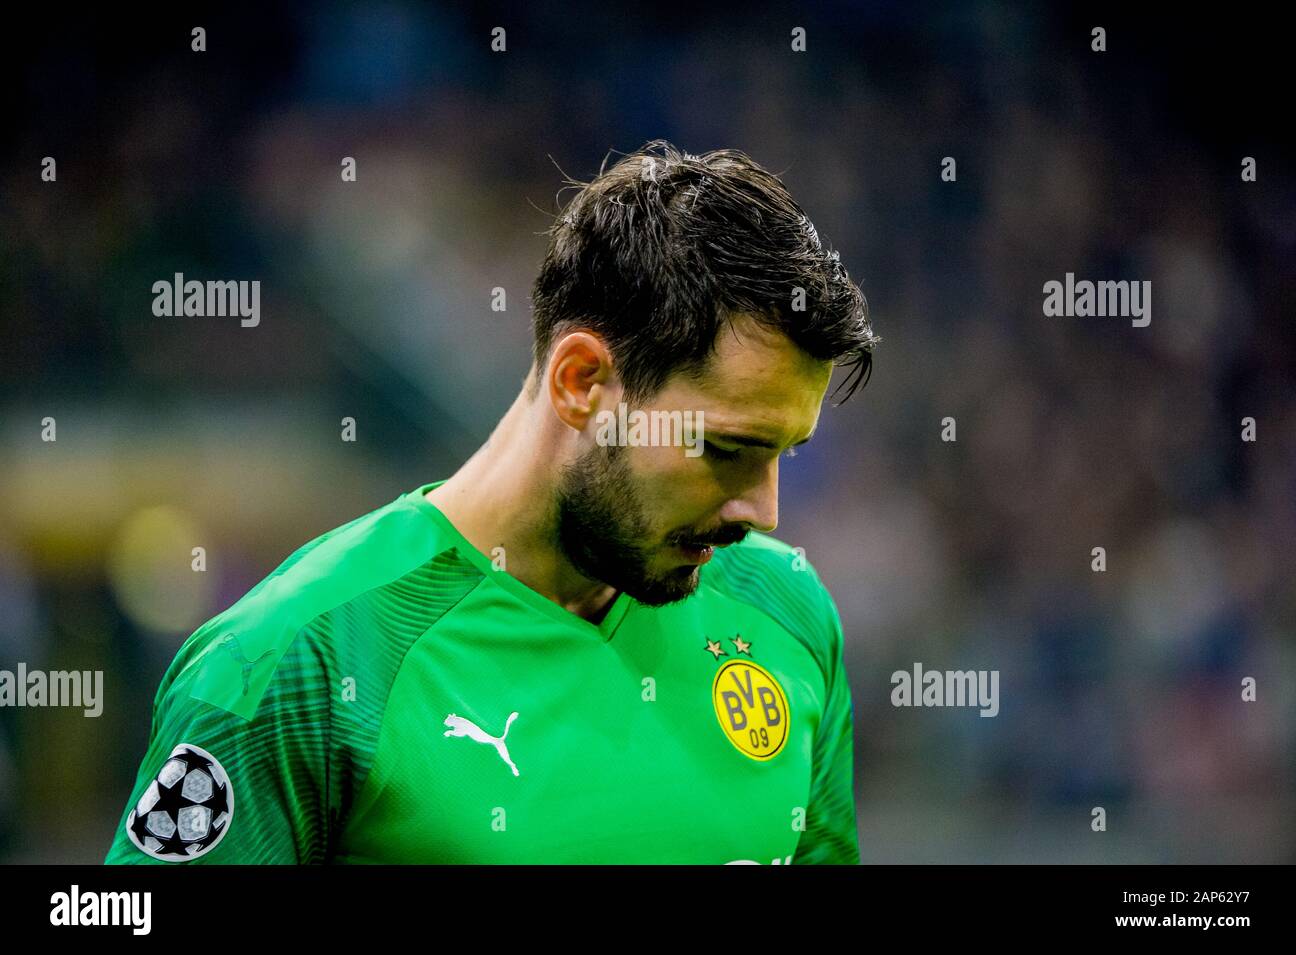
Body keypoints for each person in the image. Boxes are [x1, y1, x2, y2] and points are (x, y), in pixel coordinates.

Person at [105, 140, 879, 864]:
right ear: (582, 383)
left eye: (785, 454)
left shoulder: (790, 614)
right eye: (726, 449)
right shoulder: (302, 664)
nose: (765, 512)